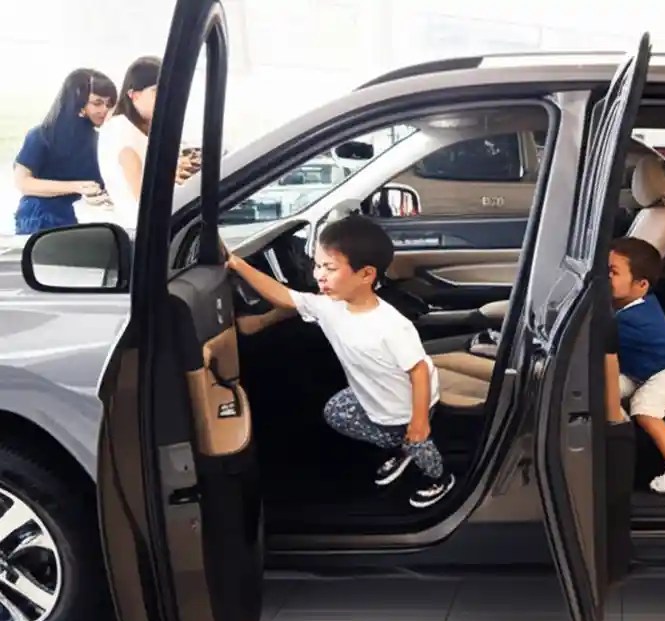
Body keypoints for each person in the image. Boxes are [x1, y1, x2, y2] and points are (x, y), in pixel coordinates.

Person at [226, 215, 455, 509]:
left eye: (330, 268)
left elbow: (419, 371)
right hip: (374, 397)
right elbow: (285, 297)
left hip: (405, 407)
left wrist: (419, 421)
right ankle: (402, 448)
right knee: (335, 412)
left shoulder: (390, 325)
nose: (319, 275)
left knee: (418, 443)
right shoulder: (330, 306)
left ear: (366, 275)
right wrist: (238, 264)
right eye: (318, 265)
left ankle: (439, 478)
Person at [608, 236, 665, 493]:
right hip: (639, 370)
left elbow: (596, 340)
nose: (604, 278)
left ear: (641, 285)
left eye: (612, 273)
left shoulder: (629, 320)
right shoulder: (632, 304)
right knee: (602, 390)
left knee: (644, 409)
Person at [11, 69, 117, 234]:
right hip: (42, 218)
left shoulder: (102, 140)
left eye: (109, 104)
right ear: (77, 102)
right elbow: (23, 183)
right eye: (97, 103)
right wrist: (76, 187)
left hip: (84, 219)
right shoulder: (41, 136)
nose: (105, 110)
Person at [97, 56, 195, 229]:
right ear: (133, 95)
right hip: (147, 233)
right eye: (157, 91)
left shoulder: (139, 128)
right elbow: (145, 199)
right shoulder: (123, 132)